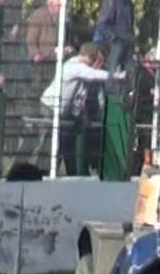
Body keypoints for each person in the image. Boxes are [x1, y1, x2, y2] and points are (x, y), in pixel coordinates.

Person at [41, 43, 125, 175]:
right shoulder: (73, 66)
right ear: (90, 57)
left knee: (66, 143)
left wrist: (83, 115)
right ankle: (46, 170)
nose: (99, 64)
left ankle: (72, 173)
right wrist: (116, 76)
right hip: (50, 107)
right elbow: (91, 74)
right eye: (97, 60)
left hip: (65, 111)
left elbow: (80, 97)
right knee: (56, 141)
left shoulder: (83, 73)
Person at [94, 0, 138, 73]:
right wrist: (114, 39)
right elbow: (102, 24)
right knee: (112, 73)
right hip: (114, 46)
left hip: (126, 45)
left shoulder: (129, 3)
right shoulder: (112, 0)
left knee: (128, 72)